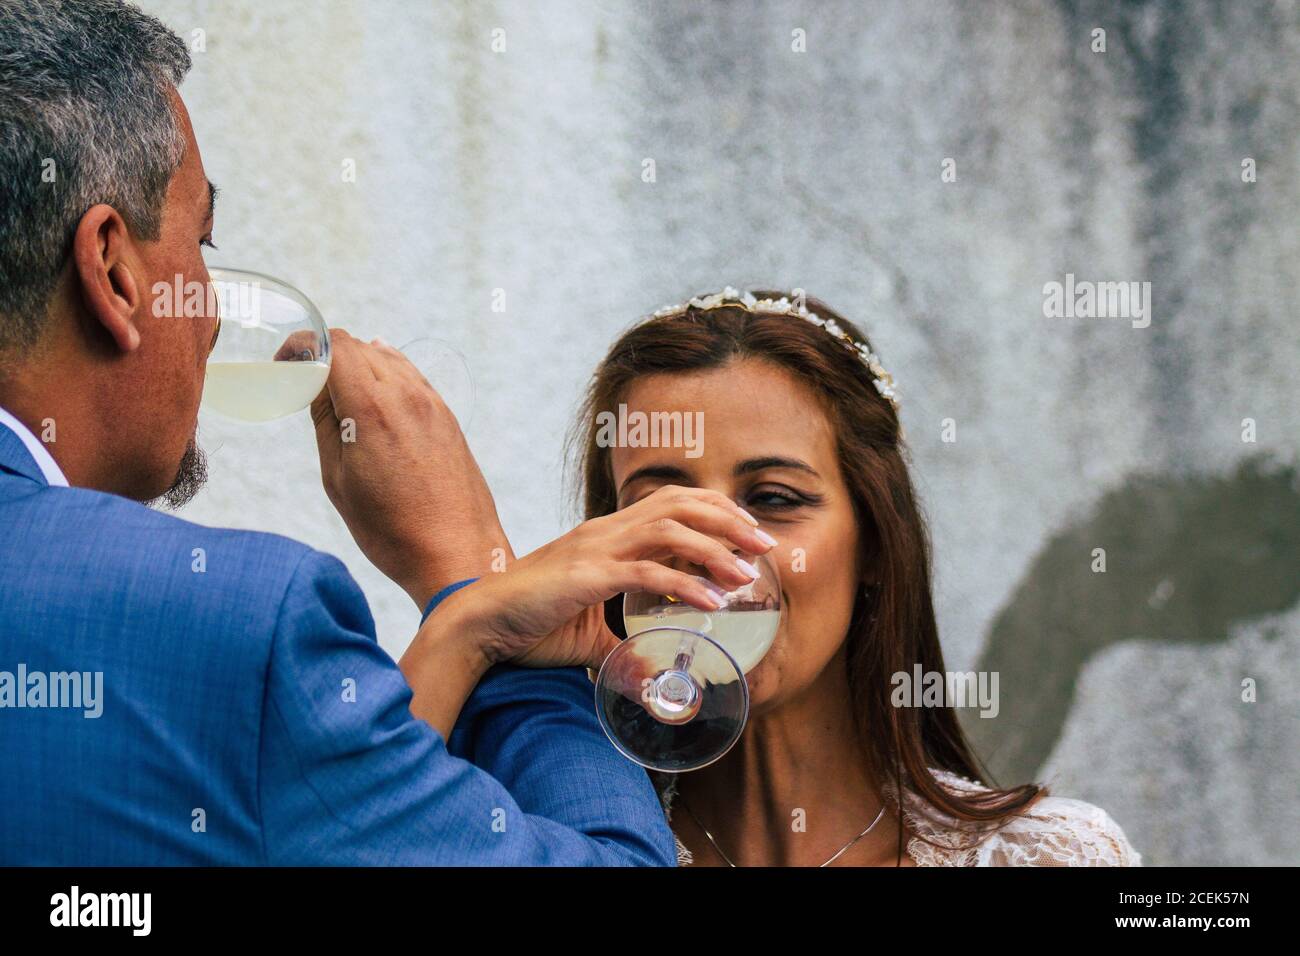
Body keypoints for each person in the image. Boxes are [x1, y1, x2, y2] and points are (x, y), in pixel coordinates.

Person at [0, 0, 775, 865]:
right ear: (112, 269)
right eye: (202, 243)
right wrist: (471, 571)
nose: (212, 315)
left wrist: (468, 624)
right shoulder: (237, 623)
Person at [448, 286, 1142, 866]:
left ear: (874, 539)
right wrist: (465, 630)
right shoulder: (553, 838)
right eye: (662, 508)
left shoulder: (1049, 855)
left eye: (773, 499)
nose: (712, 555)